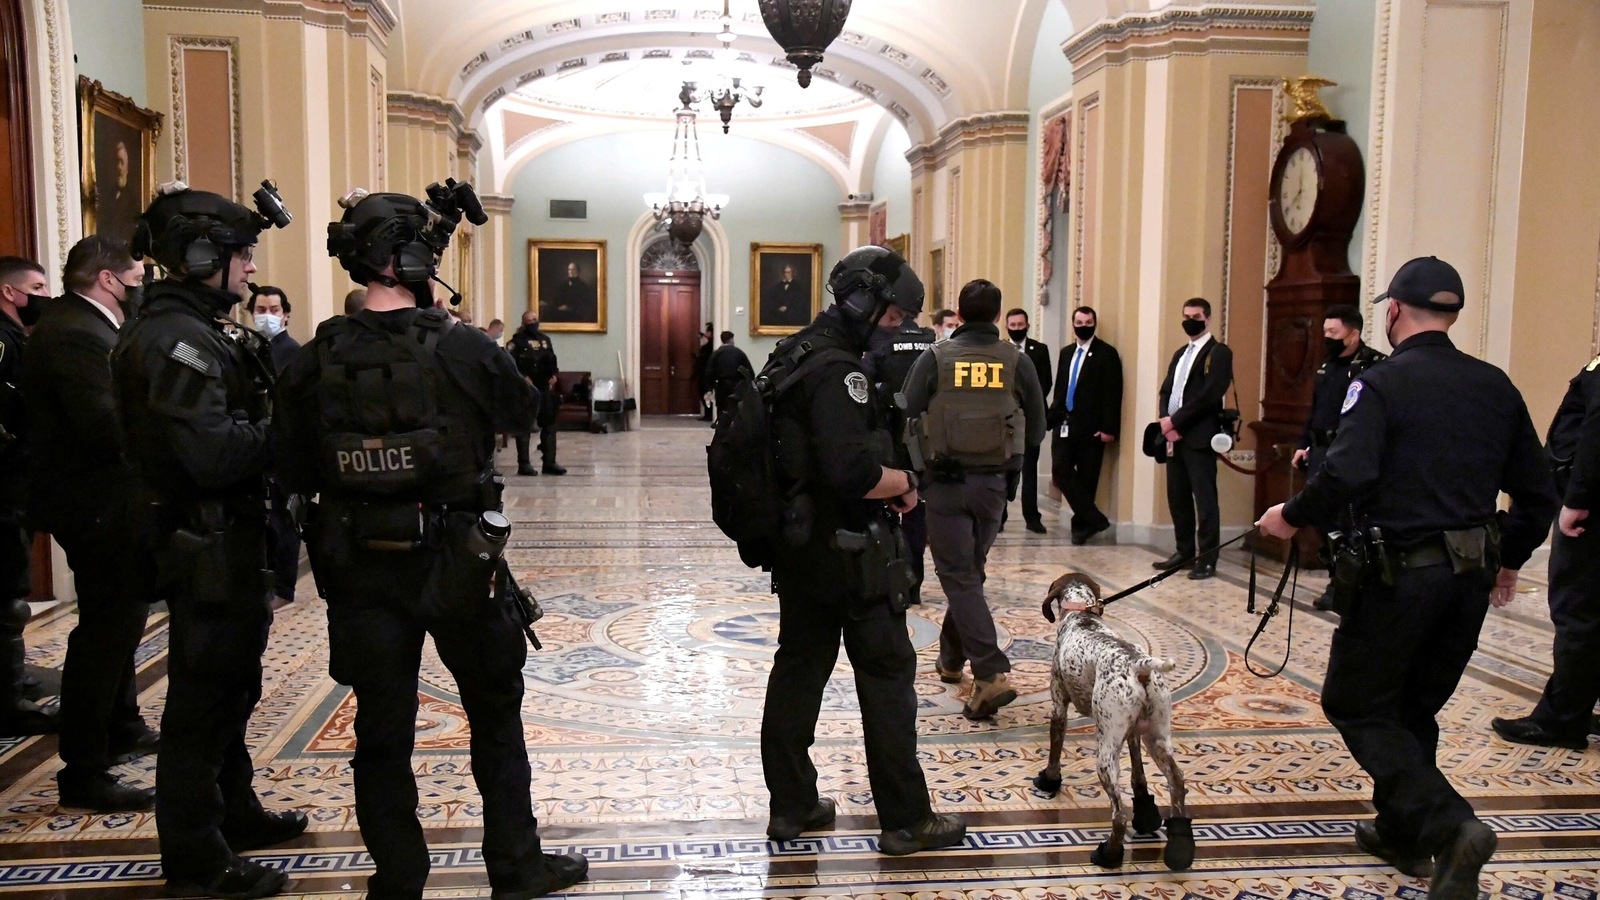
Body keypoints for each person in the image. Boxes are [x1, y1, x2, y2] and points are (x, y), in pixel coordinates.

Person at [275, 185, 586, 900]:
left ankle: (398, 877)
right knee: (494, 716)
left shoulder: (315, 355)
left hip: (357, 564)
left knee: (381, 732)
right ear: (414, 257)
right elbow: (521, 412)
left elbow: (288, 463)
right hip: (456, 560)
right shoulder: (463, 347)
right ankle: (515, 865)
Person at [1258, 256, 1559, 898]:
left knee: (1356, 701)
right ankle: (1400, 832)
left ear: (1392, 310)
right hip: (1469, 580)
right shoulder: (1496, 385)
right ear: (1449, 315)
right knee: (1413, 707)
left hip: (1398, 578)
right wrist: (1510, 558)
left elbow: (1346, 475)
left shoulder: (1382, 384)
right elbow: (1539, 494)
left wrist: (1290, 514)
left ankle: (1452, 828)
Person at [113, 182, 303, 898]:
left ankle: (235, 812)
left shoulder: (200, 330)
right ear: (200, 256)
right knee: (202, 702)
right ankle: (196, 856)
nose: (251, 270)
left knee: (234, 687)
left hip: (229, 538)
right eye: (240, 255)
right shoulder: (175, 341)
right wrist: (283, 436)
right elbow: (211, 453)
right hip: (203, 541)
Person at [761, 245, 965, 856]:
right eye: (894, 317)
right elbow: (850, 470)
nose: (897, 329)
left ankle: (793, 805)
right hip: (851, 553)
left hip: (800, 550)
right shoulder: (839, 371)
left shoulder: (793, 352)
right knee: (886, 676)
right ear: (863, 301)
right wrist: (904, 485)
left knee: (798, 672)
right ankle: (906, 820)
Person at [24, 237, 163, 808]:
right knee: (104, 633)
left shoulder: (81, 325)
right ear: (109, 279)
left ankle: (122, 724)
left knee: (123, 622)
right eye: (135, 276)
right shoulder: (75, 333)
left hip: (107, 502)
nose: (141, 285)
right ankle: (83, 769)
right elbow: (103, 425)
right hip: (97, 506)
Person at [902, 280, 1046, 719]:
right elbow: (1037, 427)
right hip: (993, 487)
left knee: (960, 576)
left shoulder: (935, 357)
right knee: (971, 571)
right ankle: (950, 659)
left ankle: (990, 673)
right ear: (999, 316)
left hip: (944, 484)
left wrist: (917, 470)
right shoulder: (1015, 360)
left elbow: (906, 410)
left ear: (959, 315)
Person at [1490, 352, 1600, 750]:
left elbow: (1596, 428)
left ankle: (1562, 721)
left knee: (1579, 613)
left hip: (1592, 513)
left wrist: (1578, 497)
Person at [1290, 304, 1386, 610]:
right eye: (1325, 332)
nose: (1328, 338)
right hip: (1320, 452)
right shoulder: (1326, 366)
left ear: (1354, 333)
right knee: (1322, 518)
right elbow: (1316, 409)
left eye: (1334, 332)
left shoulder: (1372, 366)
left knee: (1349, 522)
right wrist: (1304, 443)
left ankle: (1343, 585)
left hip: (1349, 455)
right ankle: (1336, 574)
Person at [0, 256, 55, 737]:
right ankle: (7, 696)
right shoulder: (3, 343)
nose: (44, 294)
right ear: (10, 292)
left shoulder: (18, 338)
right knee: (8, 597)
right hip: (4, 486)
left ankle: (12, 682)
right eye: (36, 286)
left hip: (16, 484)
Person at [1153, 298, 1233, 579]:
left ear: (1208, 319)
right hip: (1173, 436)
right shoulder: (1180, 354)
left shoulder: (1219, 353)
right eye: (1186, 316)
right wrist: (1166, 421)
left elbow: (1209, 396)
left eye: (1196, 316)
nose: (1190, 321)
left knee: (1205, 498)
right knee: (1177, 496)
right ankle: (1183, 550)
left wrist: (1176, 421)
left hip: (1199, 436)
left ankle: (1207, 557)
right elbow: (1167, 390)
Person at [864, 311, 937, 585]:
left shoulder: (882, 344)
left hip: (889, 436)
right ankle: (914, 577)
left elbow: (865, 385)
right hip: (924, 436)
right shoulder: (932, 343)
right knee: (917, 507)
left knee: (889, 504)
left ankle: (891, 573)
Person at [246, 285, 303, 612]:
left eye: (273, 310)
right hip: (255, 445)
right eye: (261, 310)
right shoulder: (250, 348)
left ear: (286, 315)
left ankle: (283, 585)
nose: (266, 316)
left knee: (284, 520)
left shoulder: (290, 352)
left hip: (282, 448)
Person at [1048, 305, 1123, 545]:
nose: (1084, 326)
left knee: (1088, 478)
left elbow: (1113, 393)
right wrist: (1051, 417)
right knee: (1061, 470)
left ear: (1095, 323)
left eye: (1088, 322)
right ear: (1073, 325)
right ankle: (1096, 519)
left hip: (1092, 428)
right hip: (1065, 423)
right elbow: (1061, 388)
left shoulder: (1106, 354)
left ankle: (1081, 528)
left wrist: (1109, 428)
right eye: (1079, 322)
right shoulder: (1067, 352)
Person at [1003, 307, 1053, 533]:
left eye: (1020, 325)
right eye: (1012, 326)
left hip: (1029, 418)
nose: (1016, 329)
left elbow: (1045, 382)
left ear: (1027, 325)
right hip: (1003, 419)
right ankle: (1000, 517)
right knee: (1002, 467)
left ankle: (1032, 517)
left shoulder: (1039, 350)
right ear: (1006, 327)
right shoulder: (1000, 350)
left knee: (1030, 469)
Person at [508, 311, 564, 476]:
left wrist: (554, 374)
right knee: (525, 426)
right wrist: (523, 378)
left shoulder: (545, 340)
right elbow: (510, 365)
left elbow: (552, 359)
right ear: (524, 322)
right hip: (526, 389)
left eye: (535, 319)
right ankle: (524, 464)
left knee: (550, 425)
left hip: (545, 388)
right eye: (530, 320)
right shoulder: (516, 342)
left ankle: (550, 462)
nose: (533, 322)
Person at [706, 330, 752, 423]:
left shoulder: (716, 354)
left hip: (721, 386)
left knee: (722, 411)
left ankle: (721, 430)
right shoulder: (739, 353)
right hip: (737, 386)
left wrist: (709, 389)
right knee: (736, 411)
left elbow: (709, 373)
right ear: (731, 339)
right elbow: (749, 371)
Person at [761, 263, 807, 327]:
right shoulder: (778, 286)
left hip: (792, 316)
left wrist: (787, 308)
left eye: (788, 272)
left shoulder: (797, 286)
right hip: (778, 316)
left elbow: (799, 302)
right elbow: (773, 299)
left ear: (792, 273)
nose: (786, 274)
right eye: (785, 272)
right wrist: (778, 307)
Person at [695, 322, 715, 422]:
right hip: (703, 372)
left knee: (706, 394)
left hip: (706, 373)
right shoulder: (708, 345)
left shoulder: (710, 346)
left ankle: (709, 414)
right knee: (704, 394)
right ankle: (708, 414)